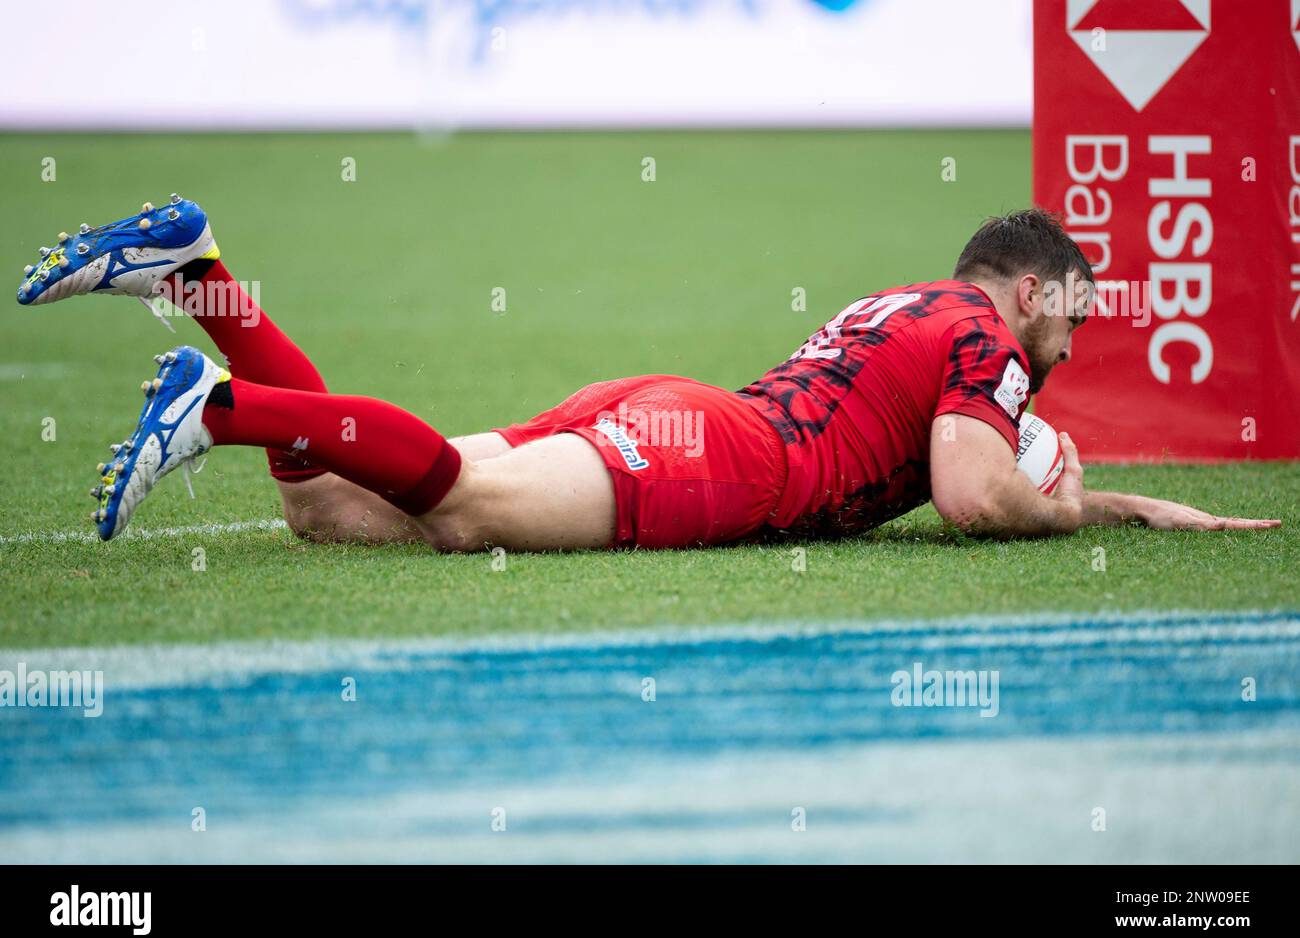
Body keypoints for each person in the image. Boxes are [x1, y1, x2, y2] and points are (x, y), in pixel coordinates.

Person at [16, 199, 1280, 546]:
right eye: (1071, 312)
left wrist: (1121, 503)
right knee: (455, 509)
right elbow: (967, 489)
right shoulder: (984, 333)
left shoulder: (917, 307)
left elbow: (951, 449)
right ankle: (225, 407)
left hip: (676, 417)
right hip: (715, 461)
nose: (1073, 341)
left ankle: (201, 278)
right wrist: (1066, 506)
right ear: (1025, 286)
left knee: (332, 511)